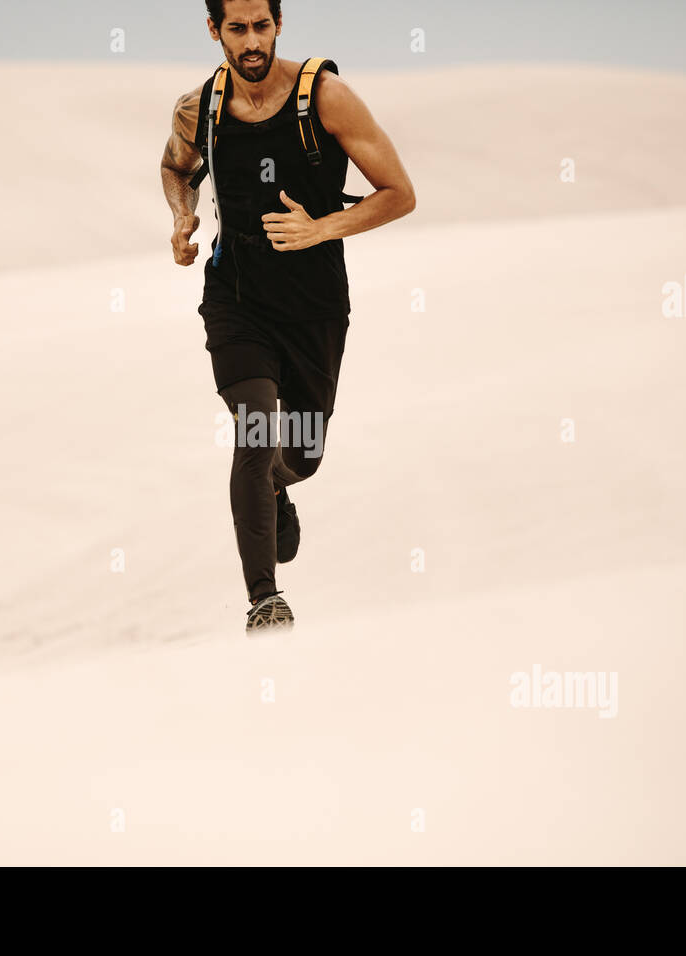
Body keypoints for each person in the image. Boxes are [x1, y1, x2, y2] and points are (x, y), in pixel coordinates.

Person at [160, 0, 416, 631]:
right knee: (254, 430)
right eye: (237, 29)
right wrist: (182, 217)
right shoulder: (199, 108)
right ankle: (264, 600)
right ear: (214, 29)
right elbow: (176, 167)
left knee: (301, 453)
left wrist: (321, 228)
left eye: (262, 26)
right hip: (235, 298)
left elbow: (400, 194)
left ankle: (280, 485)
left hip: (313, 308)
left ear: (278, 24)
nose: (252, 43)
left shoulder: (325, 98)